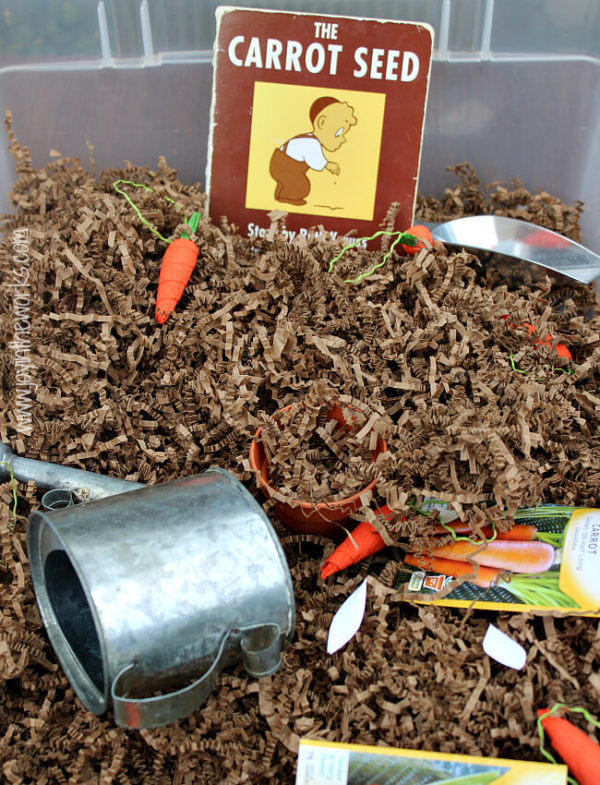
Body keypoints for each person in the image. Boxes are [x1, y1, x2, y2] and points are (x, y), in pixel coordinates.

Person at [269, 96, 357, 206]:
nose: (342, 139)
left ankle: (280, 195)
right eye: (338, 133)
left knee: (288, 181)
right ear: (322, 123)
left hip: (279, 163)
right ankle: (287, 198)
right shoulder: (311, 143)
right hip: (284, 165)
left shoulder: (309, 139)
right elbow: (315, 160)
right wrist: (327, 165)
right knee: (302, 185)